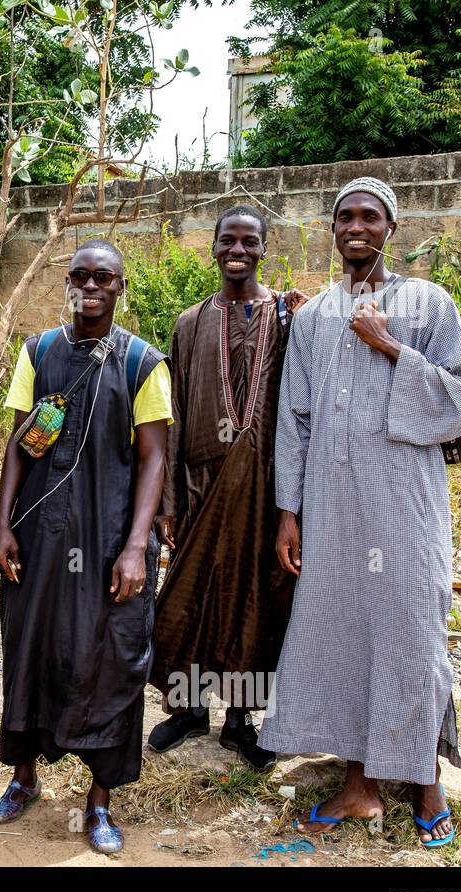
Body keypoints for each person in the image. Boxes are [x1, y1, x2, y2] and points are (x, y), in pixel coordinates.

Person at [260, 178, 461, 847]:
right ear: (333, 230)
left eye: (370, 216)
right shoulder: (314, 318)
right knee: (346, 632)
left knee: (413, 631)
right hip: (334, 506)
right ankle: (359, 785)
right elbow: (294, 419)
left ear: (391, 227)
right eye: (345, 217)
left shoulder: (428, 303)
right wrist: (289, 511)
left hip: (406, 505)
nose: (356, 227)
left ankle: (425, 780)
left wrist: (389, 344)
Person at [0, 238, 171, 854]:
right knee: (31, 649)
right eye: (81, 277)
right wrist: (2, 524)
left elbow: (154, 459)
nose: (91, 287)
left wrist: (136, 545)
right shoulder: (38, 352)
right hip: (40, 537)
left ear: (120, 286)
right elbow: (19, 443)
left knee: (110, 661)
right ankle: (24, 778)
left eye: (104, 278)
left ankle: (98, 803)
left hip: (109, 539)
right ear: (67, 283)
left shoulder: (143, 362)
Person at [146, 205, 303, 769]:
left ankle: (240, 720)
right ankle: (190, 710)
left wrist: (293, 501)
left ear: (264, 249)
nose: (238, 251)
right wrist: (168, 500)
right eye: (228, 241)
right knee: (192, 596)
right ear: (213, 248)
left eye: (249, 241)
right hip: (201, 484)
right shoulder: (190, 322)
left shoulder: (287, 316)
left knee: (254, 599)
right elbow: (176, 412)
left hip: (264, 486)